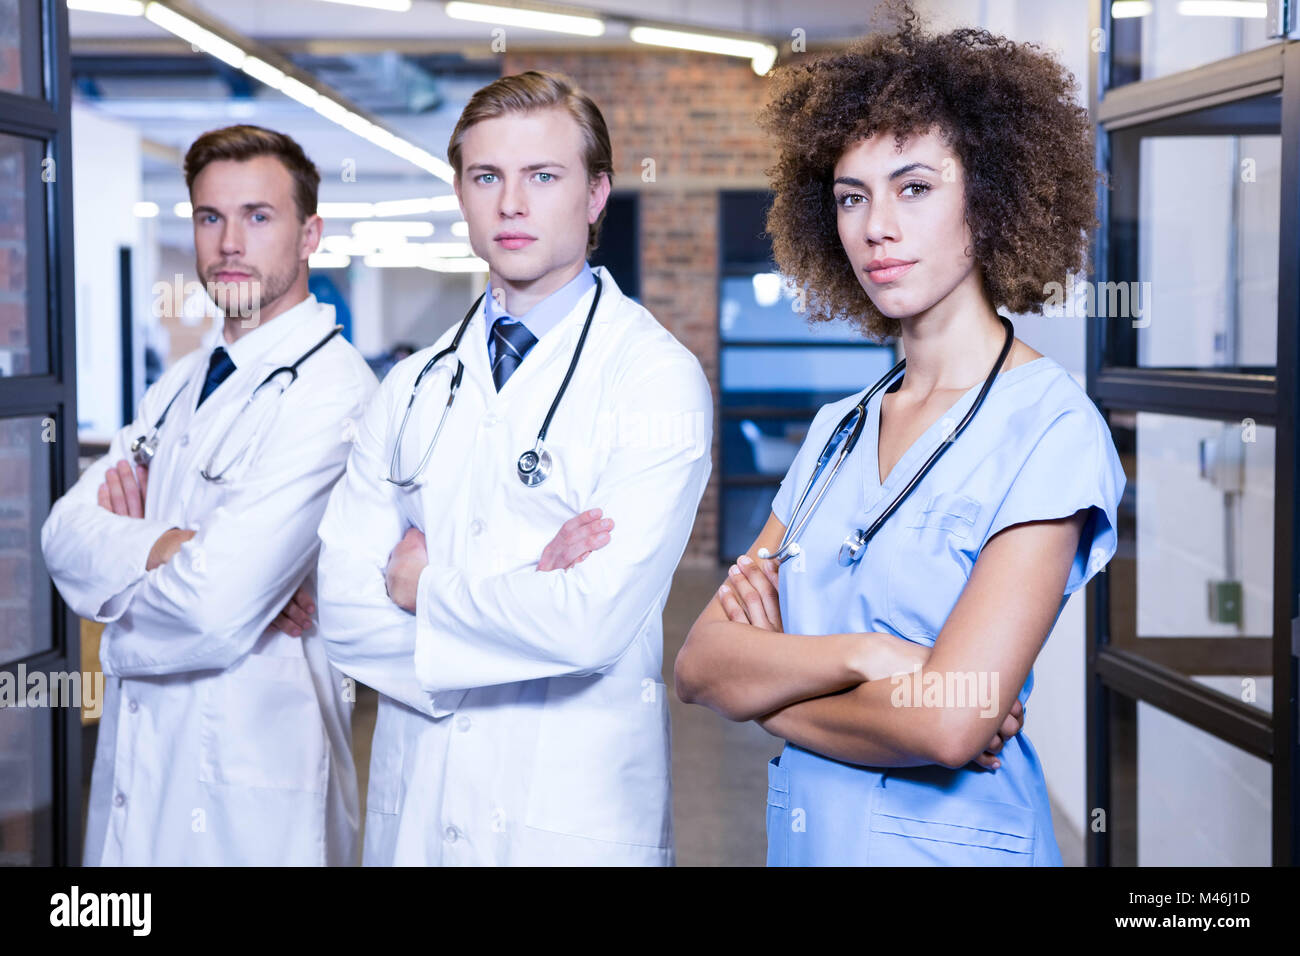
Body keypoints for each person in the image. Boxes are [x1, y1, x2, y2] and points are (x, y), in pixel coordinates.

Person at [674, 9, 1126, 866]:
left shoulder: (1052, 429)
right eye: (852, 196)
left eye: (915, 187)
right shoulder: (837, 432)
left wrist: (769, 692)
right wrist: (868, 656)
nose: (876, 225)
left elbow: (951, 724)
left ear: (989, 199)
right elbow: (700, 666)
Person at [315, 71, 712, 866]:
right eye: (486, 176)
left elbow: (589, 622)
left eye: (544, 176)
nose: (511, 204)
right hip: (419, 811)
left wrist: (423, 589)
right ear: (461, 192)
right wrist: (530, 581)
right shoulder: (413, 384)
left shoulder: (652, 378)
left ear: (597, 195)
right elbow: (344, 613)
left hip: (568, 813)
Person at [41, 125, 375, 865]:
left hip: (251, 776)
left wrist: (131, 580)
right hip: (144, 757)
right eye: (209, 217)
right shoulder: (182, 383)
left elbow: (213, 607)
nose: (229, 242)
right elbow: (63, 533)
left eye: (259, 217)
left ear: (309, 233)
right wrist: (175, 549)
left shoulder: (332, 391)